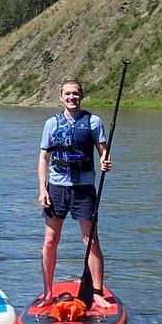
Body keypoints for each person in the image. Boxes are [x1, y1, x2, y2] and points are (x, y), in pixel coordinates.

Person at [37, 80, 111, 305]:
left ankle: (97, 293)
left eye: (76, 94)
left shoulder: (93, 122)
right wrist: (42, 189)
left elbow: (103, 151)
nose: (72, 97)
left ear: (82, 96)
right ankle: (48, 293)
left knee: (90, 240)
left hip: (84, 189)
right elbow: (43, 158)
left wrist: (105, 161)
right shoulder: (51, 124)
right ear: (61, 96)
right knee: (50, 240)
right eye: (68, 94)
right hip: (57, 189)